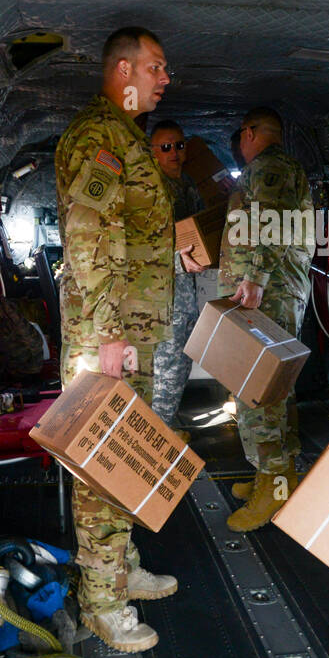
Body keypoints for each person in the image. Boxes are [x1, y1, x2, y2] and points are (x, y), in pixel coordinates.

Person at [53, 26, 178, 652]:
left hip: (132, 333)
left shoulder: (125, 139)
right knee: (102, 465)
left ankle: (121, 568)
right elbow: (89, 237)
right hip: (109, 337)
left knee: (124, 455)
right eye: (155, 67)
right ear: (122, 69)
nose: (164, 79)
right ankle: (102, 602)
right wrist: (106, 335)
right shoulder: (99, 138)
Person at [218, 107, 316, 531]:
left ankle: (273, 483)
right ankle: (275, 475)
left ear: (251, 133)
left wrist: (255, 279)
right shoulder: (273, 168)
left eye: (241, 137)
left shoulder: (270, 167)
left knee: (258, 390)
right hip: (270, 294)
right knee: (273, 389)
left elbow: (272, 224)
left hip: (268, 295)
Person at [149, 119, 208, 427]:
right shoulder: (149, 190)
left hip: (185, 297)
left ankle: (162, 433)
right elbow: (140, 248)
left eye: (179, 146)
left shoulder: (186, 185)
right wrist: (177, 261)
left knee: (180, 369)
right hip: (160, 302)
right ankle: (154, 440)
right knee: (164, 377)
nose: (174, 153)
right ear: (152, 153)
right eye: (166, 147)